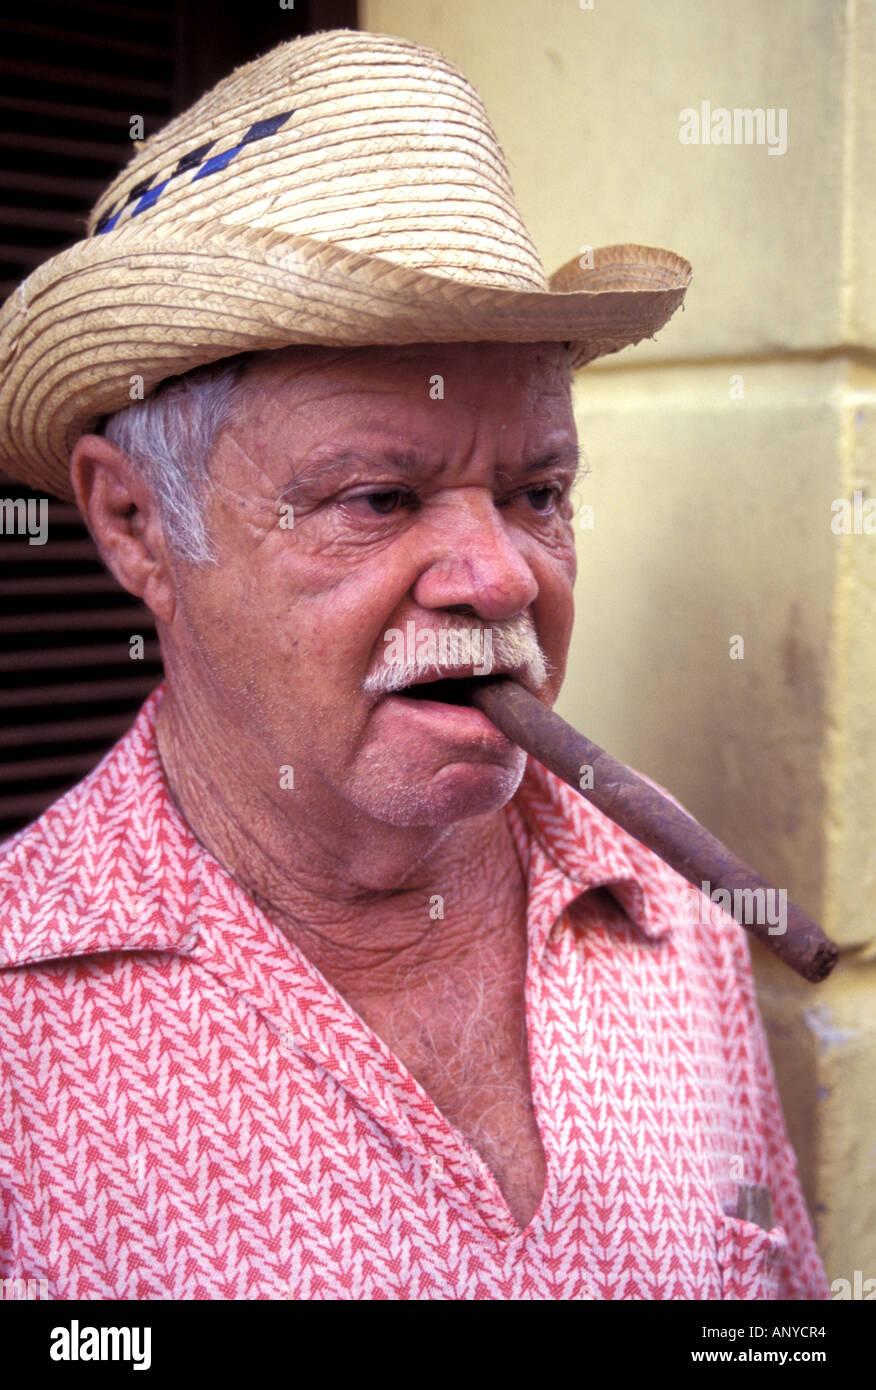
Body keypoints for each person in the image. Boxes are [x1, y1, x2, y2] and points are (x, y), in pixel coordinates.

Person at [0, 28, 826, 1299]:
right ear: (136, 526)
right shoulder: (20, 1035)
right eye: (381, 498)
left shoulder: (674, 917)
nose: (500, 579)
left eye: (538, 488)